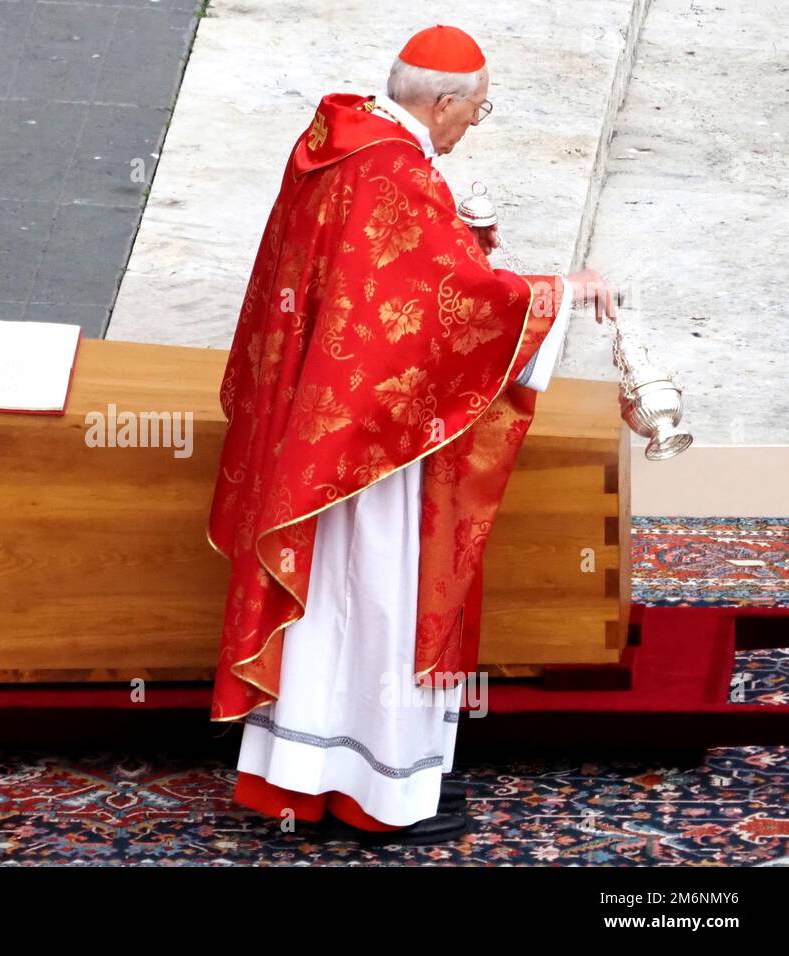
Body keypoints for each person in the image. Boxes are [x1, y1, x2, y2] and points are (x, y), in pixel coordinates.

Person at [205, 24, 616, 843]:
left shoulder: (341, 141)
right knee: (381, 590)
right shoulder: (393, 170)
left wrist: (464, 247)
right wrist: (558, 290)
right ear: (444, 101)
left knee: (329, 602)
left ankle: (304, 777)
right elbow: (441, 305)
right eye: (478, 110)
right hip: (381, 440)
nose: (473, 126)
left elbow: (389, 279)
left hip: (330, 422)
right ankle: (378, 792)